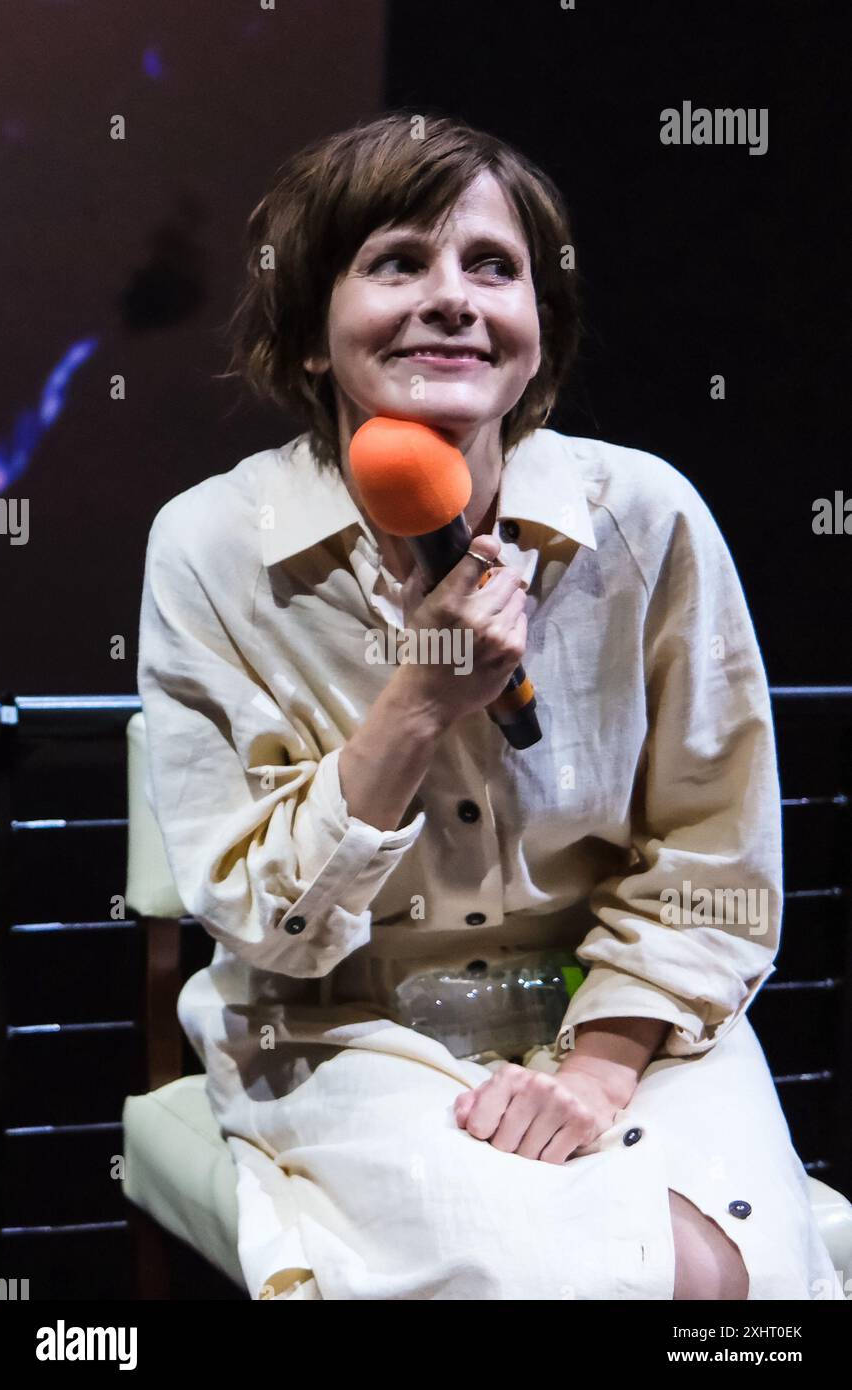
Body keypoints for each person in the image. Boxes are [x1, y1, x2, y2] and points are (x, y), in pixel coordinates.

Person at [136, 111, 844, 1301]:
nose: (451, 297)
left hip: (618, 1004)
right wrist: (415, 702)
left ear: (534, 338)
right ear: (314, 333)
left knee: (719, 1277)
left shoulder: (646, 517)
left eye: (491, 267)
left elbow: (713, 858)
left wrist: (597, 1069)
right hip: (347, 1025)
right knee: (548, 1276)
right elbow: (260, 926)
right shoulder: (212, 545)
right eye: (396, 263)